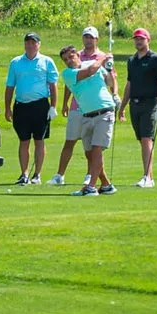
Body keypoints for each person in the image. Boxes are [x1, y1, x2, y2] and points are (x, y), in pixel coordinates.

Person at [62, 25, 118, 195]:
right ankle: (106, 185)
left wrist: (109, 68)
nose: (69, 61)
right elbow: (89, 72)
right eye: (66, 59)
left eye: (71, 57)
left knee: (97, 149)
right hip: (86, 115)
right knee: (89, 153)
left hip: (104, 111)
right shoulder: (68, 74)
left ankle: (91, 187)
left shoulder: (92, 64)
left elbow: (109, 81)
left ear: (77, 55)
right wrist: (103, 58)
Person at [2, 32, 60, 185]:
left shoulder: (46, 61)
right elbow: (10, 86)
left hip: (40, 105)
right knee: (24, 140)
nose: (30, 45)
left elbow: (53, 85)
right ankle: (24, 174)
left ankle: (37, 175)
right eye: (27, 42)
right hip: (21, 106)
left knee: (39, 140)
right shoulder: (16, 62)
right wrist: (7, 108)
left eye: (33, 42)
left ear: (38, 44)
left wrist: (53, 106)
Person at [123, 27, 157, 188]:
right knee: (142, 140)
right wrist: (122, 106)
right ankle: (149, 176)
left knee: (146, 139)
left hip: (150, 103)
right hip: (134, 104)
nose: (138, 41)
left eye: (141, 39)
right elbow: (129, 84)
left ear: (148, 40)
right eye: (136, 39)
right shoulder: (132, 61)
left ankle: (147, 177)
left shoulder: (156, 59)